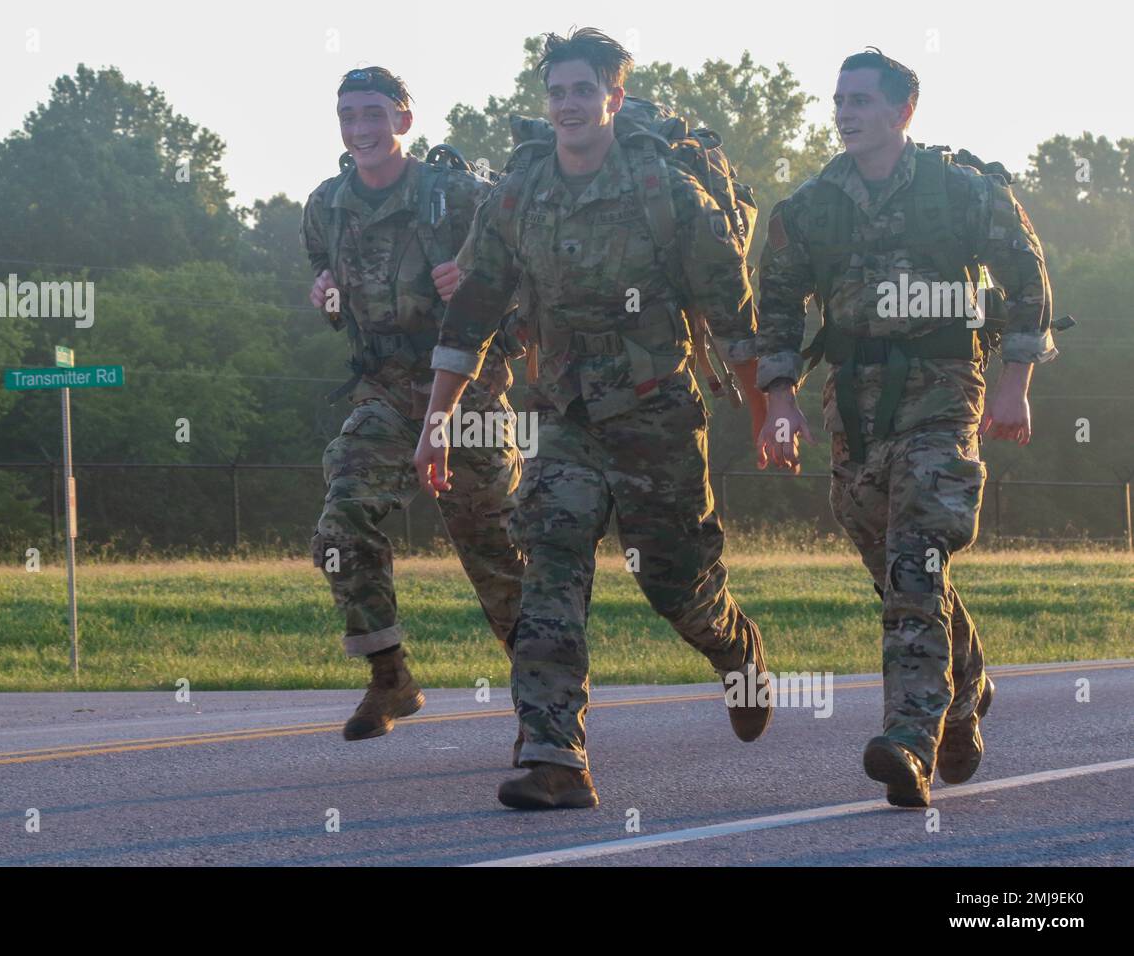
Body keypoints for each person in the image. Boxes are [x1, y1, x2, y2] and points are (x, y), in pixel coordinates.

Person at [415, 29, 771, 810]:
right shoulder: (519, 192)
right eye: (557, 92)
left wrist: (765, 408)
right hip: (563, 415)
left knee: (676, 582)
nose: (568, 105)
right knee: (550, 565)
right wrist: (437, 420)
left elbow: (731, 311)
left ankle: (737, 654)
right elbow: (472, 311)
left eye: (583, 90)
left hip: (655, 415)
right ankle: (554, 755)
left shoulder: (665, 191)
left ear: (614, 97)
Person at [755, 48, 1057, 807]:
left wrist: (1014, 386)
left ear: (903, 111)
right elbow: (779, 309)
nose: (845, 113)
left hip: (943, 395)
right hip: (851, 406)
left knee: (916, 557)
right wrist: (781, 401)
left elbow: (1026, 282)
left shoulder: (960, 193)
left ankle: (909, 740)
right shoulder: (810, 206)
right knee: (895, 566)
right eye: (839, 100)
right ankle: (965, 687)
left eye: (860, 100)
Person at [301, 67, 524, 746]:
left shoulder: (458, 195)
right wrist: (327, 298)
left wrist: (484, 280)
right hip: (387, 391)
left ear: (404, 120)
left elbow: (537, 273)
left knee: (494, 551)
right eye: (348, 116)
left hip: (469, 390)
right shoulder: (325, 205)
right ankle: (389, 674)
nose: (361, 129)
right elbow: (334, 290)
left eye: (374, 114)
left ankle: (546, 695)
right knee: (341, 525)